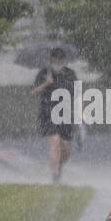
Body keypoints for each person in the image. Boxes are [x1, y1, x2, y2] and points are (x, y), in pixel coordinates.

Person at [30, 48, 77, 182]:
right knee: (55, 142)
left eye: (61, 60)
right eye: (55, 60)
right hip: (48, 113)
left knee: (66, 149)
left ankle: (58, 166)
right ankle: (55, 175)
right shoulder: (44, 73)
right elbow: (33, 91)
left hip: (65, 114)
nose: (58, 63)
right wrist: (46, 83)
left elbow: (78, 93)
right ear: (51, 60)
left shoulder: (70, 74)